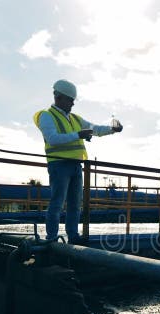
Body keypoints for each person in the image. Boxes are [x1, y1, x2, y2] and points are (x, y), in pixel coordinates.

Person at [33, 79, 122, 244]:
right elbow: (52, 139)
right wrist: (78, 135)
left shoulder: (74, 118)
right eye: (70, 100)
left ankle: (73, 236)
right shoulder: (47, 116)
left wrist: (112, 130)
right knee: (57, 203)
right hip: (59, 164)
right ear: (58, 98)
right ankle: (51, 238)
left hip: (75, 165)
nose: (73, 104)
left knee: (75, 204)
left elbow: (94, 128)